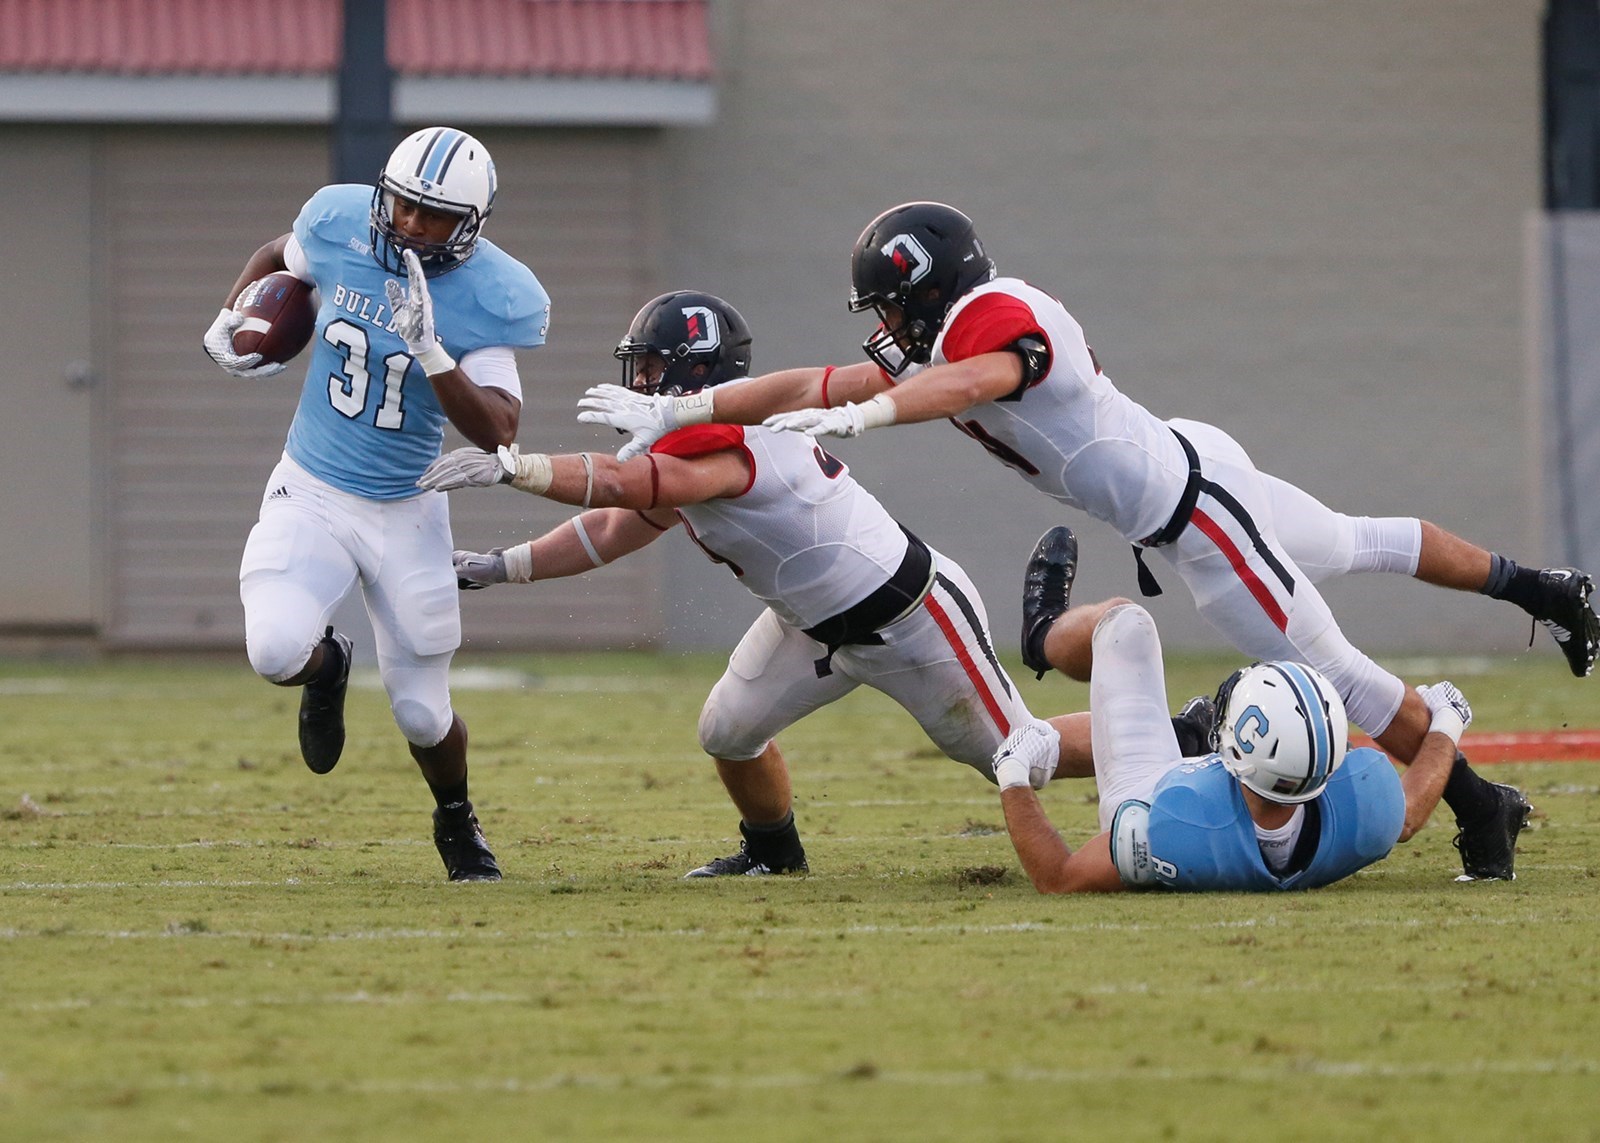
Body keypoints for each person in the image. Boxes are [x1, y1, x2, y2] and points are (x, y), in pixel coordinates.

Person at [574, 200, 1590, 881]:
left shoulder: (995, 325)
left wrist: (872, 418)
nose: (883, 326)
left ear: (928, 294)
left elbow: (971, 385)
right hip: (1190, 468)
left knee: (1335, 672)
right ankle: (1538, 587)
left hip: (1192, 515)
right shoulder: (950, 335)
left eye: (891, 305)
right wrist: (687, 408)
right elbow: (803, 384)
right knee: (1353, 539)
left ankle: (1476, 804)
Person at [416, 291, 1062, 877]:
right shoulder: (697, 434)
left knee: (1021, 754)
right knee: (728, 730)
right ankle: (774, 852)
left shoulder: (731, 440)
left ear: (698, 370)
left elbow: (625, 484)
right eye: (638, 367)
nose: (640, 382)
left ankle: (1161, 740)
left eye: (652, 367)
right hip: (811, 626)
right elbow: (615, 528)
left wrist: (515, 467)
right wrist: (503, 565)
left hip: (910, 616)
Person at [201, 126, 552, 882]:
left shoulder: (496, 293)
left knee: (423, 714)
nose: (413, 225)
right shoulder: (336, 220)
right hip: (313, 486)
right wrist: (231, 315)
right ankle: (329, 669)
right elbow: (277, 255)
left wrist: (434, 353)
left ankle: (456, 819)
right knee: (274, 649)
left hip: (408, 506)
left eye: (435, 217)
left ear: (472, 226)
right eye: (403, 206)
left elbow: (499, 429)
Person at [996, 528, 1530, 891]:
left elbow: (1060, 878)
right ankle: (1186, 732)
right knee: (1185, 727)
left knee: (1125, 623)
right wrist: (1446, 725)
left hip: (1149, 789)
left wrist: (1014, 779)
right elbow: (1409, 811)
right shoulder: (1364, 819)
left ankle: (1044, 636)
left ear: (1234, 759)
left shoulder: (1173, 821)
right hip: (1243, 794)